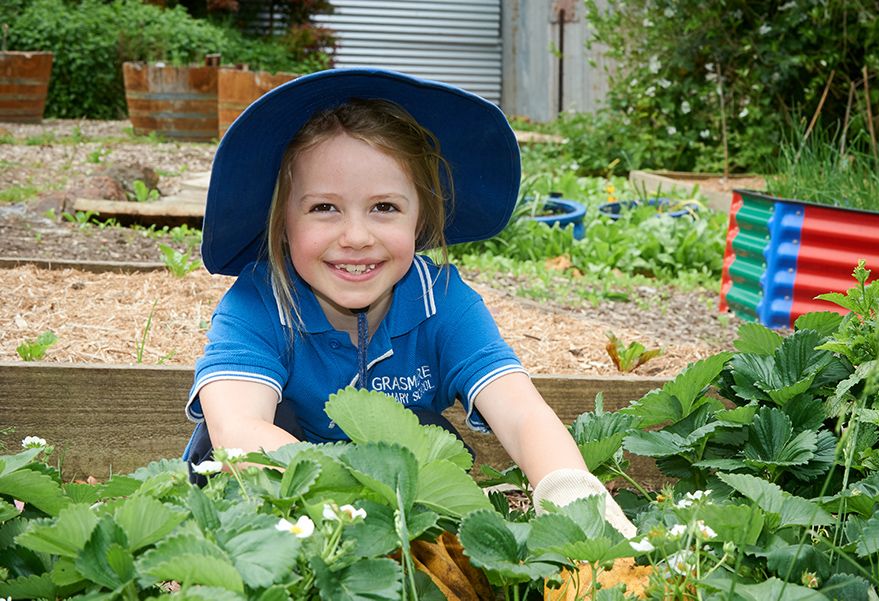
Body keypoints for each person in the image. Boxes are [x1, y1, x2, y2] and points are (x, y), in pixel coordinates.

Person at [182, 68, 636, 537]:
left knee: (424, 431)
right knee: (243, 443)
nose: (356, 237)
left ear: (421, 217)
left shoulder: (442, 301)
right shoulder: (259, 302)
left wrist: (572, 495)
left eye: (385, 208)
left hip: (397, 517)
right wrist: (359, 502)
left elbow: (521, 413)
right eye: (324, 208)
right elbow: (237, 431)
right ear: (281, 221)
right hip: (268, 514)